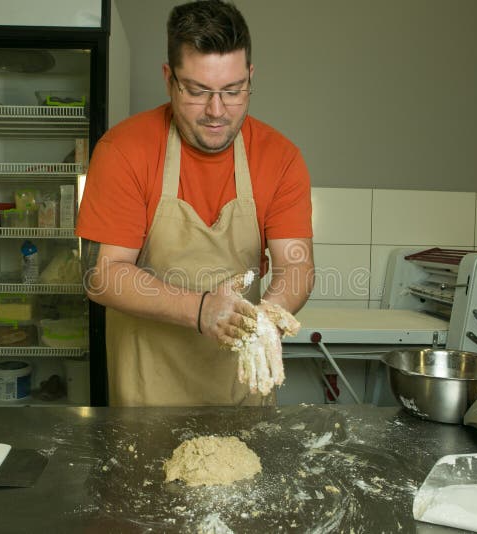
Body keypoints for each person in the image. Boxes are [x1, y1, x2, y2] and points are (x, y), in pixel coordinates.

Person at [76, 0, 314, 407]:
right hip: (146, 401)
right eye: (198, 91)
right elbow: (106, 276)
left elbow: (296, 266)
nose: (217, 111)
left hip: (240, 394)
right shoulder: (124, 150)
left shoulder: (280, 157)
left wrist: (267, 318)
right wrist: (201, 309)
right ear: (170, 79)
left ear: (250, 77)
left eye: (234, 91)